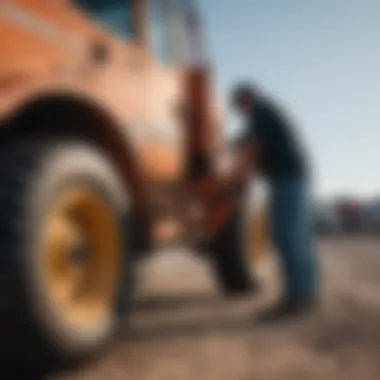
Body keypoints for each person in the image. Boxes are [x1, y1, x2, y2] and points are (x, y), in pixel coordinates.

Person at [230, 82, 318, 321]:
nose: (239, 112)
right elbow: (247, 143)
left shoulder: (261, 112)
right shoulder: (265, 113)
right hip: (292, 176)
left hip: (288, 177)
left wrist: (240, 183)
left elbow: (251, 149)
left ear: (245, 99)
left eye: (238, 106)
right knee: (296, 235)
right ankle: (305, 295)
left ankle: (297, 298)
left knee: (287, 235)